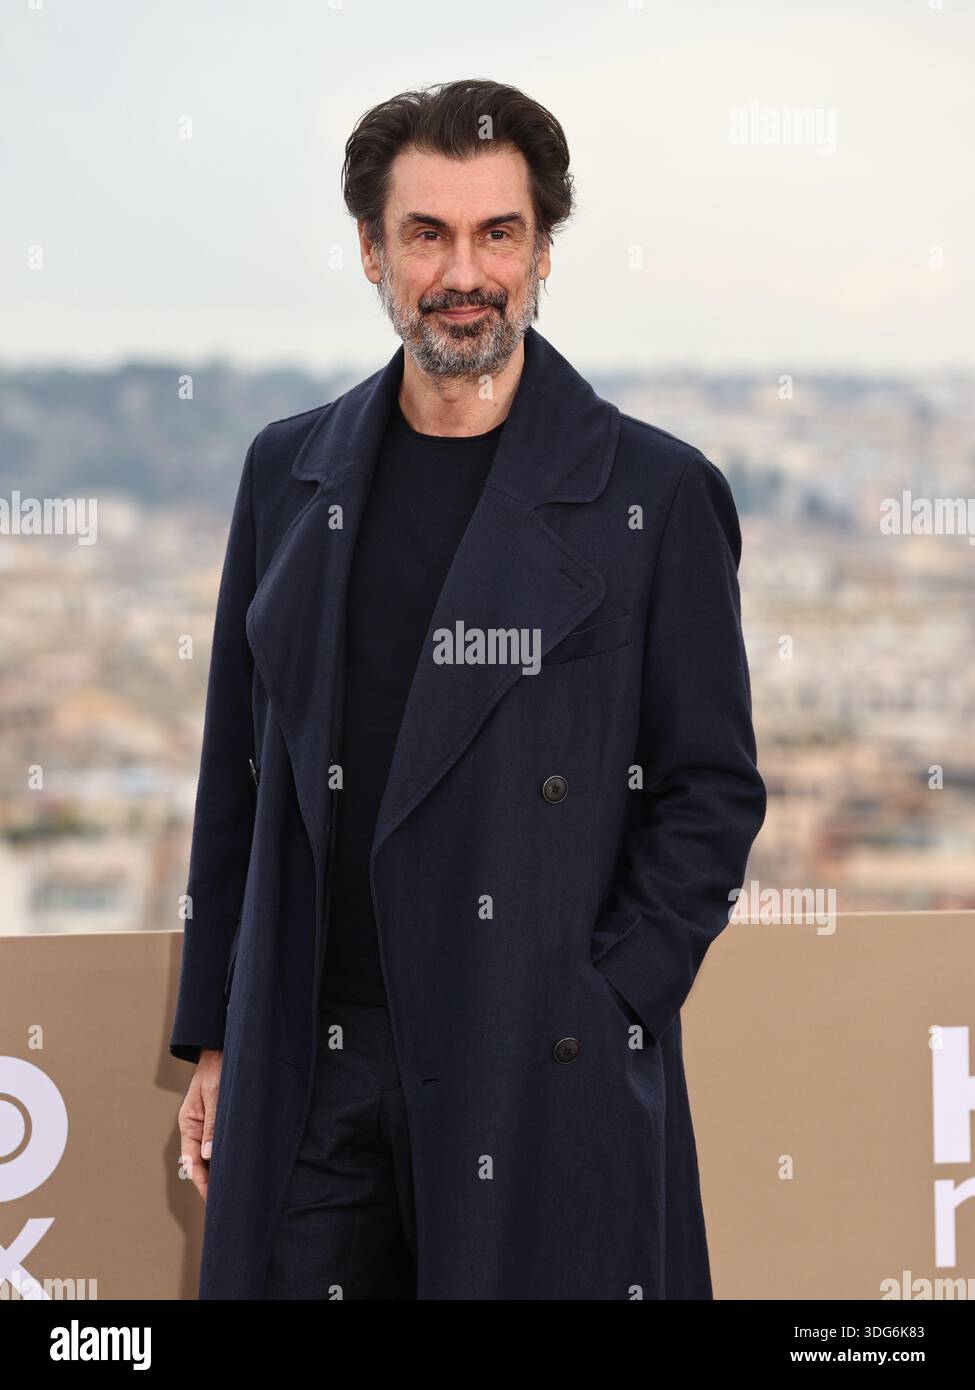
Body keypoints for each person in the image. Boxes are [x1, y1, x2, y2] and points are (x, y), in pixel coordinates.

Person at [172, 78, 767, 1300]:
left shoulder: (653, 493)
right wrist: (220, 1032)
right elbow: (240, 769)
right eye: (427, 233)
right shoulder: (285, 472)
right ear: (371, 253)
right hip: (313, 1067)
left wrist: (608, 1001)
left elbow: (710, 788)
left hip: (531, 1059)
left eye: (498, 233)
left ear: (543, 251)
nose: (465, 272)